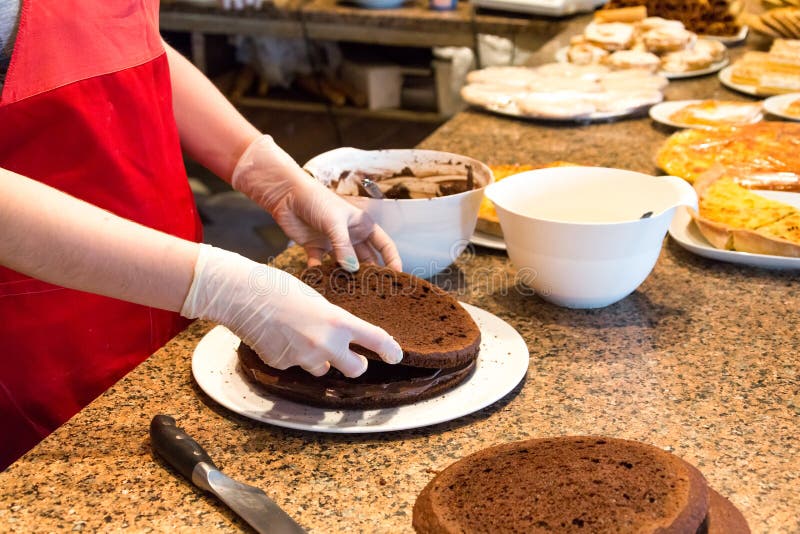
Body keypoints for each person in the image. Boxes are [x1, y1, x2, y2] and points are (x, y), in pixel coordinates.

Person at [0, 0, 403, 470]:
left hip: (169, 290)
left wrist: (269, 176)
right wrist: (221, 287)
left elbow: (127, 39)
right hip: (41, 331)